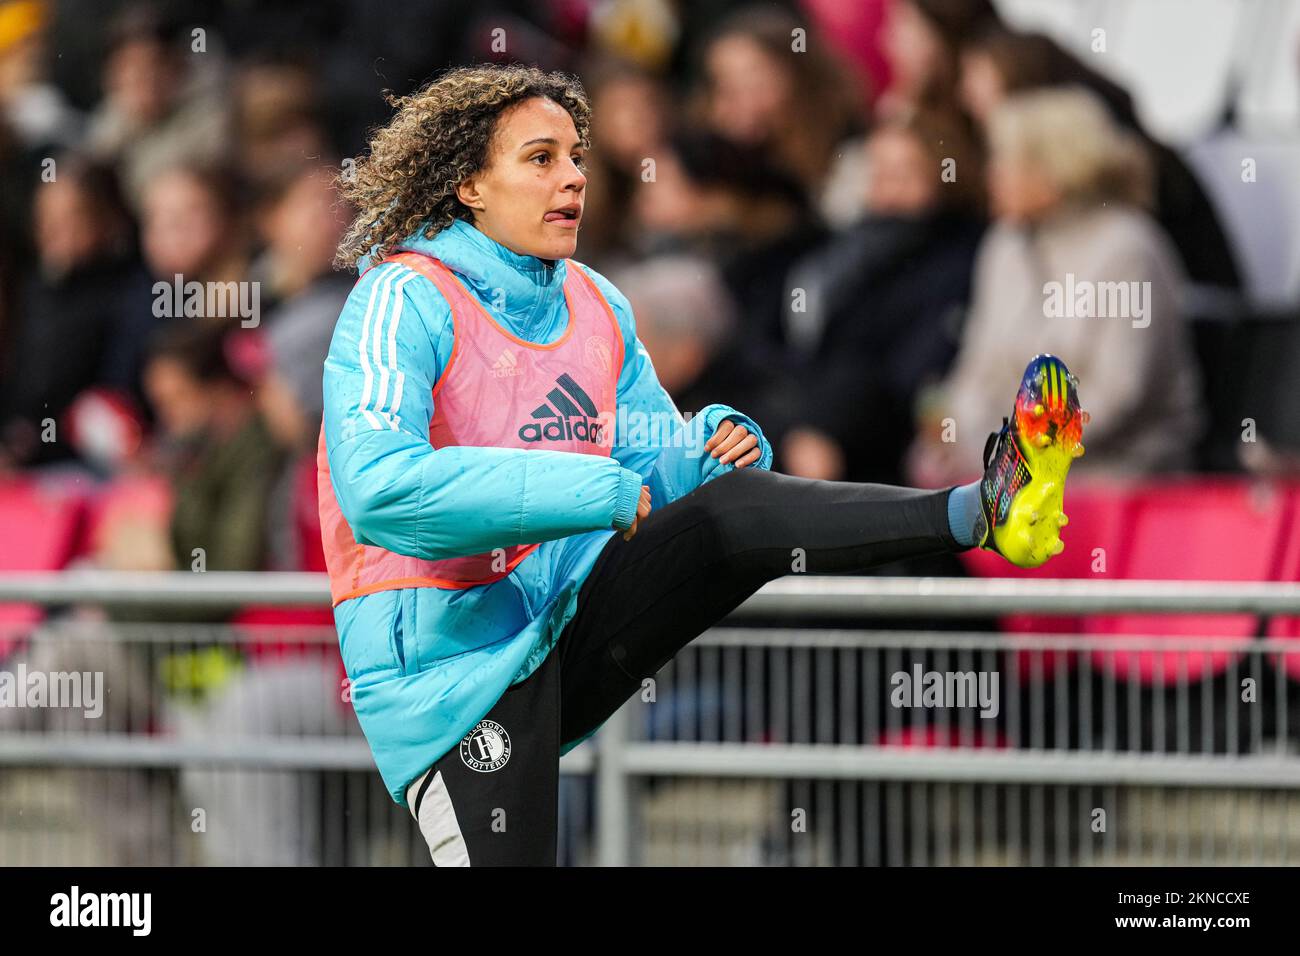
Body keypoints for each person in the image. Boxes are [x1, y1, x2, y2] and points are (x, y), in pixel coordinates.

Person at [321, 63, 1085, 866]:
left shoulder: (594, 301)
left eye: (578, 156)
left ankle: (982, 510)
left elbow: (653, 457)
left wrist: (707, 444)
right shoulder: (399, 297)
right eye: (541, 158)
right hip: (451, 679)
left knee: (732, 511)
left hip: (564, 617)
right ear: (469, 183)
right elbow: (378, 488)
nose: (574, 176)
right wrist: (597, 490)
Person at [908, 87, 1202, 487]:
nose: (991, 174)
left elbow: (1121, 395)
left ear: (1054, 168)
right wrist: (954, 437)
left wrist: (1020, 455)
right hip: (1010, 476)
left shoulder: (1129, 248)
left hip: (1115, 477)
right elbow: (977, 370)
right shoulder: (1004, 245)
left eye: (1005, 161)